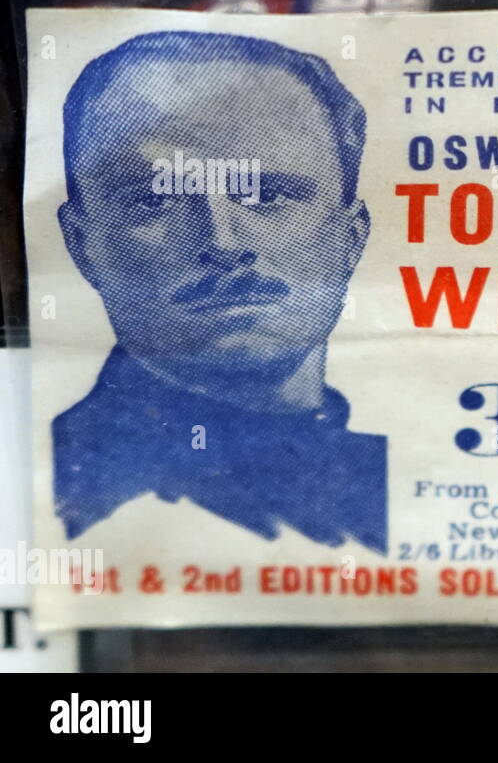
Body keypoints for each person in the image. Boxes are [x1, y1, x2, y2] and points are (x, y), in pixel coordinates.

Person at [53, 31, 386, 553]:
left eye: (268, 194)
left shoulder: (411, 472)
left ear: (351, 237)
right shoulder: (56, 482)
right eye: (154, 201)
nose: (221, 242)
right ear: (83, 244)